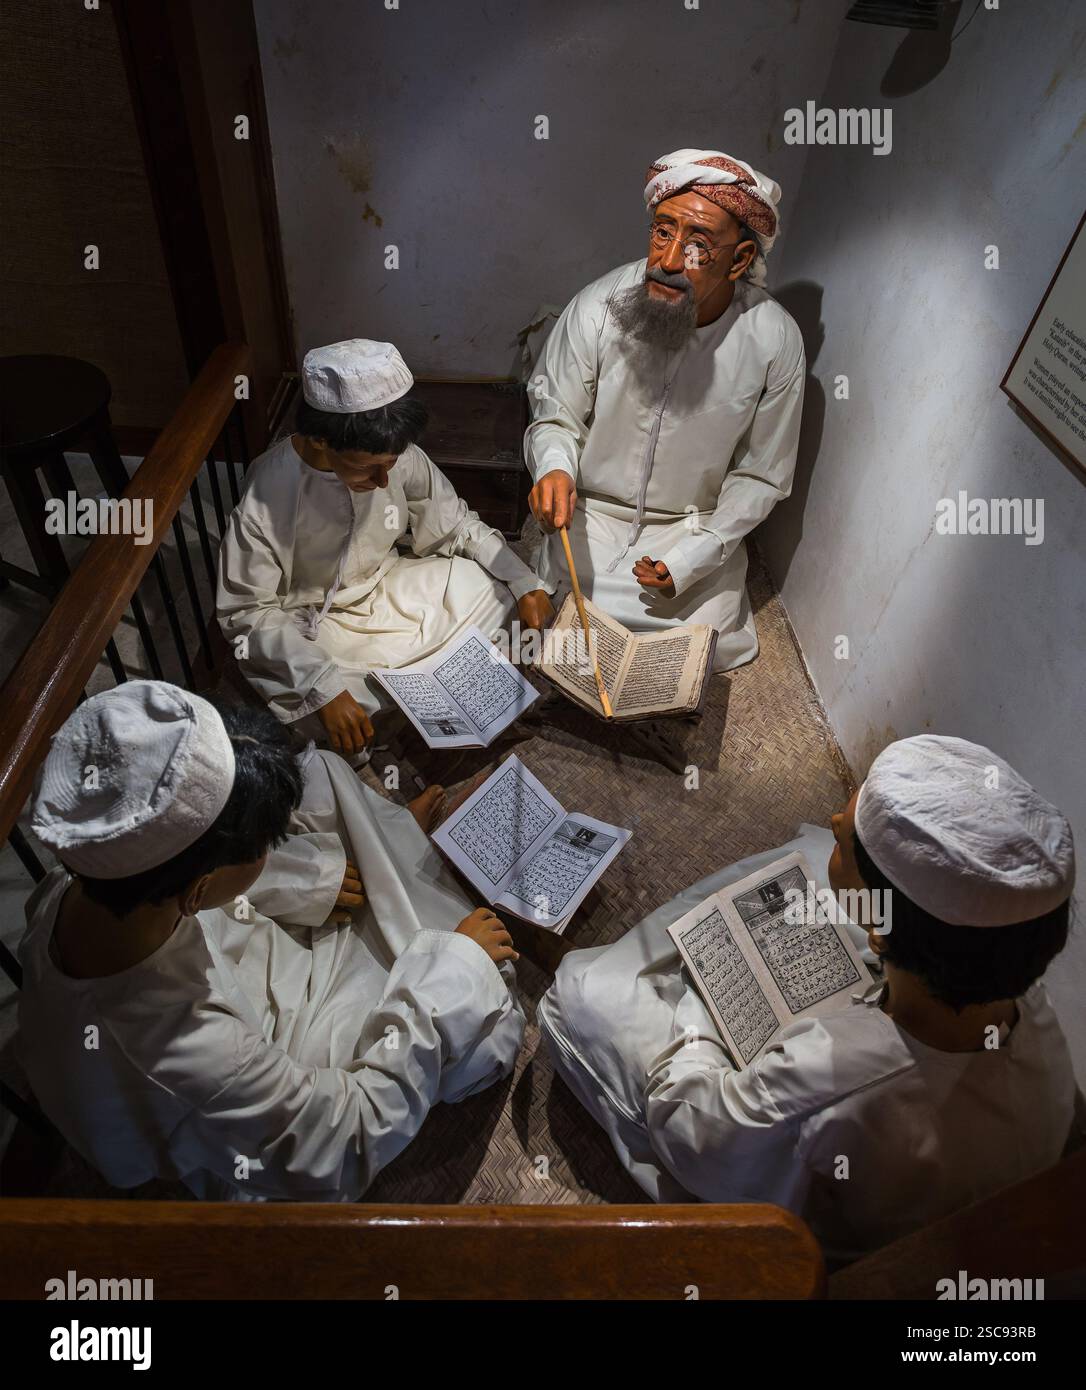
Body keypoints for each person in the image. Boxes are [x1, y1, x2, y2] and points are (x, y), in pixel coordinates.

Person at [539, 735, 1079, 1262]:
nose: (839, 822)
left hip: (810, 1216)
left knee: (580, 992)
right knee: (812, 852)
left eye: (852, 841)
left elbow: (691, 1135)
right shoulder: (1020, 989)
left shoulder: (827, 1081)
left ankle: (675, 964)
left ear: (884, 932)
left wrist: (704, 1003)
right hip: (895, 1075)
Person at [19, 680, 525, 1200]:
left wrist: (310, 881)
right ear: (199, 890)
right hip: (281, 1044)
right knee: (487, 1029)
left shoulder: (86, 877)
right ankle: (400, 863)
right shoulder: (198, 1058)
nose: (270, 847)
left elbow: (232, 889)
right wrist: (451, 975)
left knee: (323, 773)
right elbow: (348, 1135)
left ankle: (394, 848)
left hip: (256, 956)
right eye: (264, 844)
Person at [526, 148, 804, 671]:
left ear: (740, 261)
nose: (669, 260)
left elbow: (762, 476)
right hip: (589, 517)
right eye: (662, 232)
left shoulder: (774, 340)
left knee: (710, 644)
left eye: (699, 245)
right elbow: (554, 410)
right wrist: (555, 468)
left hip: (691, 529)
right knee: (556, 616)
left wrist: (690, 558)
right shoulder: (598, 305)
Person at [217, 338, 553, 758]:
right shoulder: (268, 493)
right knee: (327, 707)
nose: (381, 482)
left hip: (387, 585)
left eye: (389, 467)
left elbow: (454, 523)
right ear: (320, 440)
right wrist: (322, 685)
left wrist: (523, 581)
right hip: (317, 625)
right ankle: (407, 700)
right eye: (367, 469)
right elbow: (247, 611)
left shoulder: (397, 455)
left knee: (492, 591)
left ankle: (409, 706)